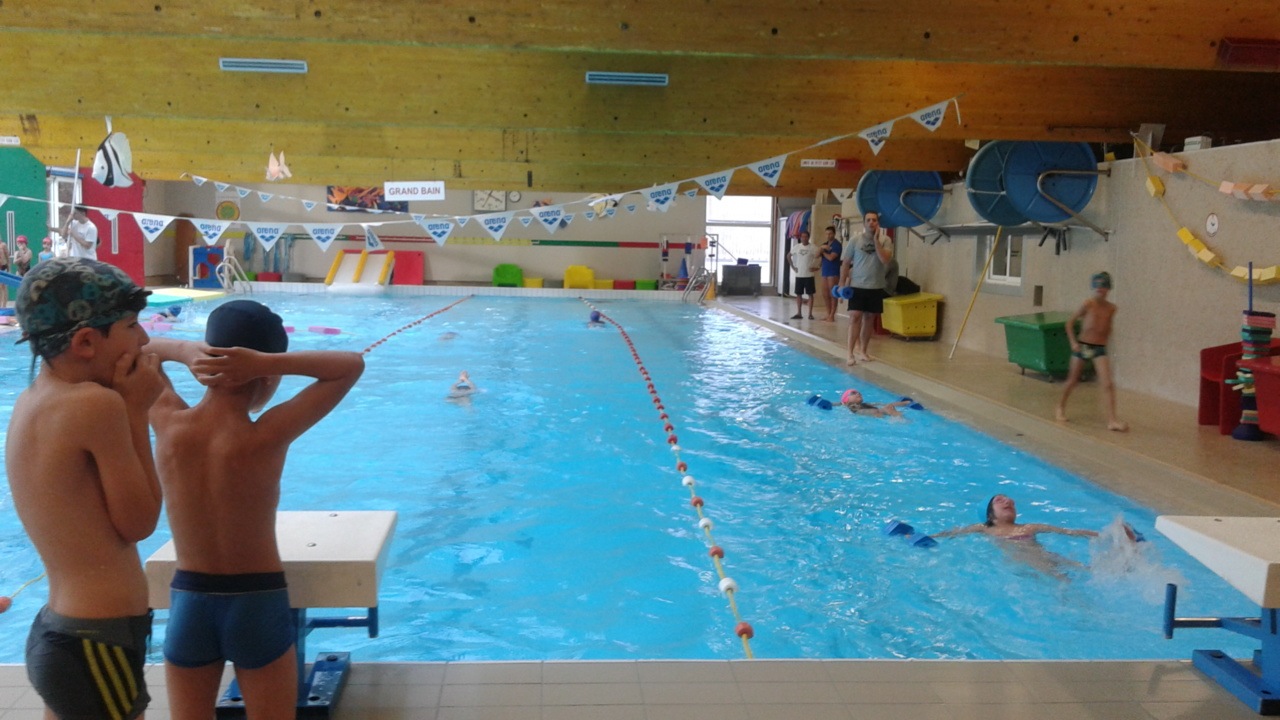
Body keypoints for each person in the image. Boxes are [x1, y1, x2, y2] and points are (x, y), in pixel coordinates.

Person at [146, 299, 365, 720]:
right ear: (267, 375)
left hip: (190, 599)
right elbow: (350, 364)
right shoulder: (267, 435)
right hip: (257, 600)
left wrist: (188, 352)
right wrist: (264, 362)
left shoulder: (169, 424)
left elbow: (141, 350)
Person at [6, 257, 162, 720]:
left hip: (61, 630)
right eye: (132, 326)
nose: (145, 339)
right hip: (98, 639)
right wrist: (137, 411)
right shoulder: (98, 405)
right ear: (86, 342)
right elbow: (139, 522)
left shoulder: (33, 400)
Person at [933, 494, 1100, 579]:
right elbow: (956, 532)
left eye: (1011, 503)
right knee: (1062, 580)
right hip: (1029, 561)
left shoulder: (1029, 527)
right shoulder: (984, 528)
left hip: (1047, 555)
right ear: (989, 514)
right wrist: (931, 536)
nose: (1008, 502)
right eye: (1000, 501)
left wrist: (1101, 535)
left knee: (1084, 569)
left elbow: (1068, 532)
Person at [1055, 271, 1128, 432]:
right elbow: (1069, 323)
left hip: (1099, 349)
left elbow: (1107, 328)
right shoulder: (1088, 304)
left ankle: (1112, 420)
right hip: (1083, 346)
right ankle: (1060, 406)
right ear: (1093, 288)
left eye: (1103, 286)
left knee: (1108, 384)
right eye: (1097, 286)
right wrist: (1073, 343)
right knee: (1072, 381)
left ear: (1108, 289)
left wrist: (1108, 344)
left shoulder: (1112, 309)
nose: (1100, 289)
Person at [838, 211, 893, 365]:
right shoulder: (855, 241)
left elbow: (885, 259)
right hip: (857, 285)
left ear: (878, 223)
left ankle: (863, 351)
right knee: (855, 316)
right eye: (868, 220)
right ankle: (850, 353)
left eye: (874, 220)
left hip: (876, 286)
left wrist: (876, 242)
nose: (871, 223)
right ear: (864, 223)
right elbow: (845, 263)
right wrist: (842, 283)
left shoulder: (885, 240)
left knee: (869, 319)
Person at [787, 231, 818, 320]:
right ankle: (799, 313)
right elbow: (788, 256)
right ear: (800, 238)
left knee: (810, 294)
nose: (804, 238)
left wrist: (817, 267)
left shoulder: (813, 247)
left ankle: (810, 314)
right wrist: (793, 267)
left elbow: (820, 256)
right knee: (798, 294)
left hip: (809, 275)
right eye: (802, 237)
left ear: (808, 237)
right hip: (799, 275)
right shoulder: (797, 247)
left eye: (806, 237)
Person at [836, 388, 915, 418]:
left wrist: (904, 403)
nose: (858, 393)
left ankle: (907, 403)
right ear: (846, 400)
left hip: (875, 412)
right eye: (853, 393)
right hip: (862, 412)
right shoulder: (848, 406)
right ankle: (896, 415)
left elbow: (882, 404)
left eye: (858, 393)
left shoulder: (866, 404)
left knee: (887, 406)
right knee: (881, 410)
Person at [818, 226, 843, 321]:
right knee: (825, 294)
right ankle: (828, 313)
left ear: (834, 234)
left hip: (833, 272)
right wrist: (821, 248)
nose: (828, 236)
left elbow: (831, 258)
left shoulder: (837, 245)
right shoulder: (824, 245)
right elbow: (816, 255)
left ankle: (832, 315)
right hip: (825, 272)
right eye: (827, 234)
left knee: (833, 294)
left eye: (830, 234)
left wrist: (823, 252)